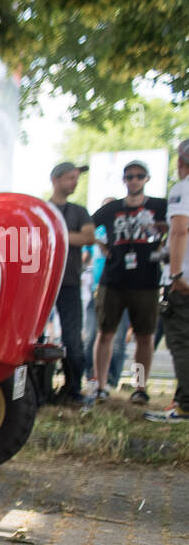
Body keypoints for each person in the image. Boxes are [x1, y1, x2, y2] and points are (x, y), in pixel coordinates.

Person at [90, 159, 168, 403]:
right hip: (113, 279)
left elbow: (179, 226)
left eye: (139, 176)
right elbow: (88, 227)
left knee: (144, 336)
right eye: (129, 176)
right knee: (105, 333)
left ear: (147, 179)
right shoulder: (111, 209)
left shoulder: (159, 205)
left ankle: (139, 387)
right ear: (124, 180)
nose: (134, 180)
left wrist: (164, 242)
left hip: (147, 281)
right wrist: (102, 246)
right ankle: (101, 385)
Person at [145, 139, 189, 422]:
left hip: (184, 283)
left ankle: (185, 405)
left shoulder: (182, 188)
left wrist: (175, 274)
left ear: (180, 162)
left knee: (182, 343)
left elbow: (180, 230)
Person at [47, 161, 94, 403]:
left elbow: (89, 236)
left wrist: (55, 233)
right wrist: (69, 236)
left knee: (73, 337)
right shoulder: (42, 209)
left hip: (70, 282)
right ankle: (39, 388)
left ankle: (73, 388)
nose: (74, 182)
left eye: (76, 178)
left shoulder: (80, 210)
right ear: (55, 179)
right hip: (42, 285)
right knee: (34, 337)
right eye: (70, 178)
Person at [84, 197, 128, 389]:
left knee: (118, 341)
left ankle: (111, 381)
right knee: (92, 337)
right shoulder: (95, 232)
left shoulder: (123, 230)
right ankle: (92, 378)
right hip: (97, 289)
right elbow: (85, 256)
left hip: (121, 288)